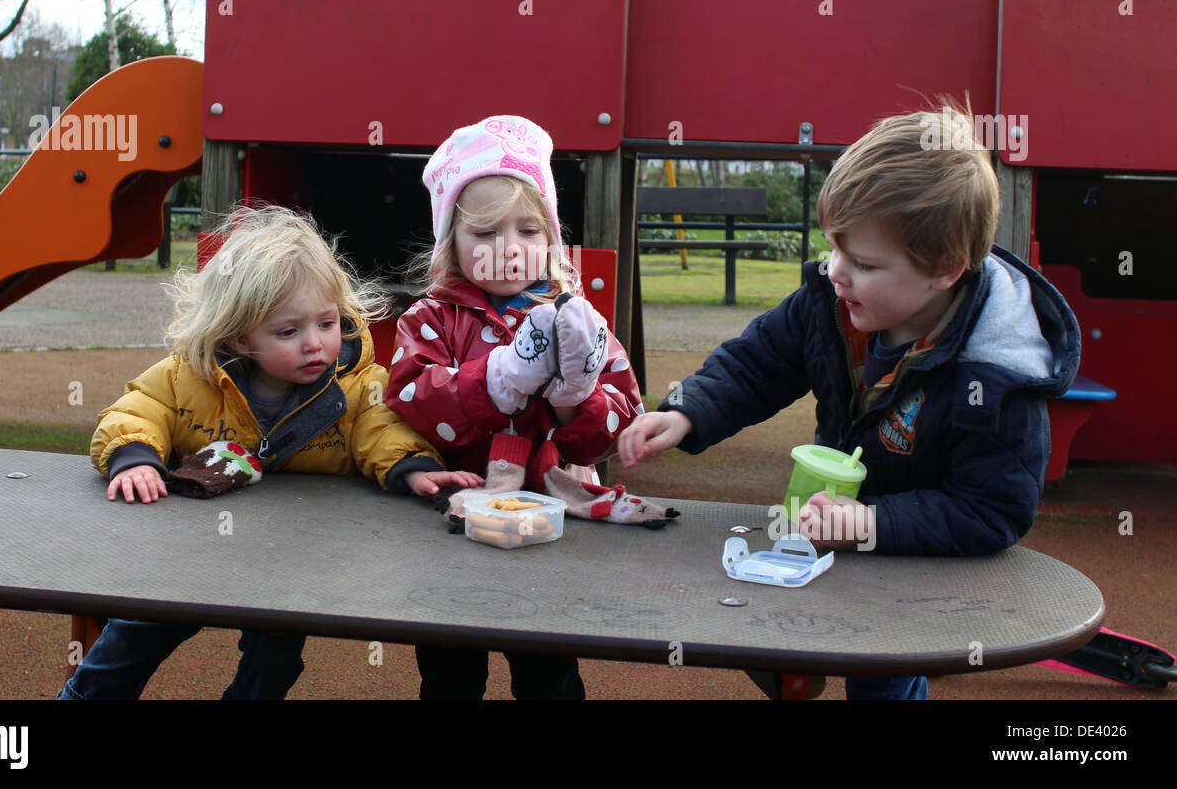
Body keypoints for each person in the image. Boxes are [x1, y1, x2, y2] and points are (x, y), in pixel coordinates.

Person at [617, 106, 1081, 700]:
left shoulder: (996, 377)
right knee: (782, 623)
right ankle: (796, 666)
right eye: (834, 247)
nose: (836, 270)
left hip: (915, 557)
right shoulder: (831, 305)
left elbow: (990, 511)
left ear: (943, 270)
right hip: (826, 522)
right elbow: (761, 361)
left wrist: (872, 522)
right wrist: (690, 409)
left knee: (881, 674)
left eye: (863, 263)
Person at [61, 205, 464, 700]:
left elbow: (381, 432)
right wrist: (136, 456)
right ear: (238, 335)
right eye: (289, 332)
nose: (316, 344)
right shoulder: (190, 377)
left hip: (286, 558)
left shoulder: (356, 386)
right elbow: (137, 410)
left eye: (326, 323)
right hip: (193, 553)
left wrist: (414, 468)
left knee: (274, 653)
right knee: (137, 629)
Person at [387, 114, 654, 699]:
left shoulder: (579, 321)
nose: (509, 251)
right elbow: (408, 395)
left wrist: (572, 402)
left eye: (529, 231)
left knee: (548, 669)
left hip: (548, 515)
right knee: (451, 669)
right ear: (450, 244)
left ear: (552, 240)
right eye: (484, 234)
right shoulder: (430, 318)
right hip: (455, 520)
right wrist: (500, 379)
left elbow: (620, 413)